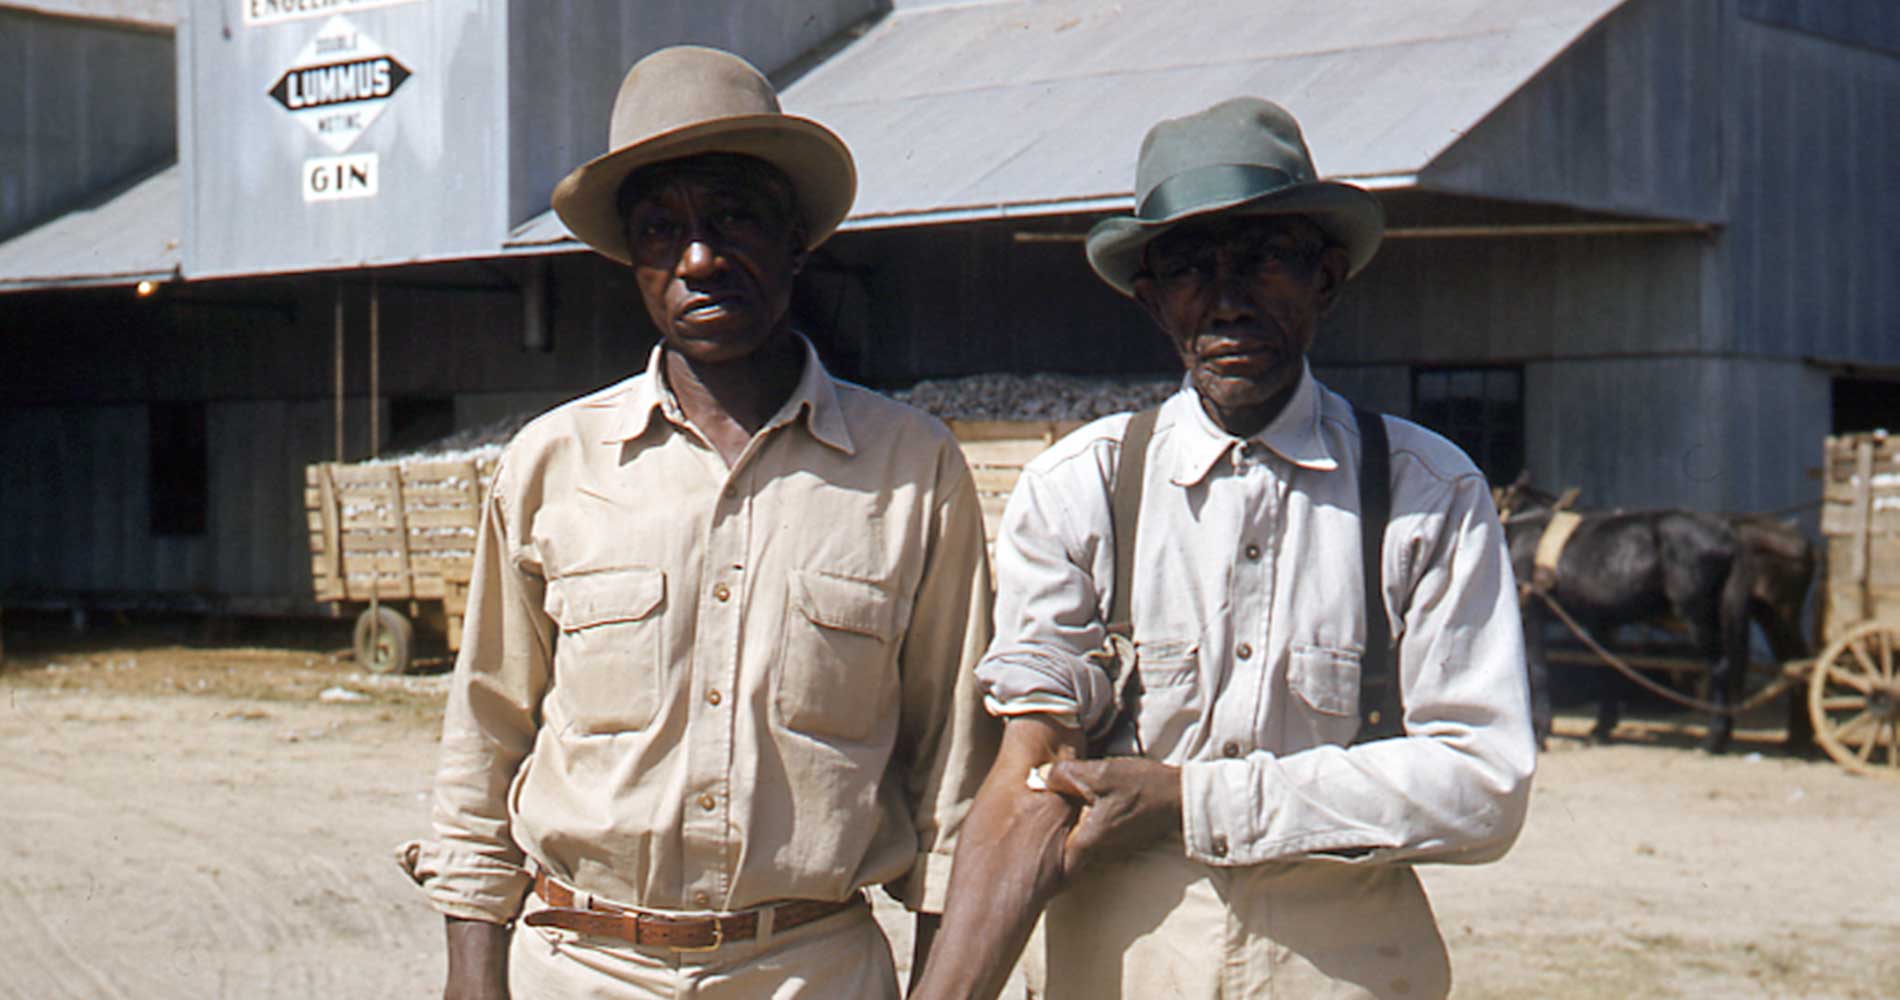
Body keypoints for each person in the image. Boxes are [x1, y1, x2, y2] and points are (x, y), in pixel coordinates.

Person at [396, 45, 996, 999]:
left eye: (733, 220)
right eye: (660, 229)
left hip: (812, 970)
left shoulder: (910, 470)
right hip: (580, 965)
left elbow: (955, 774)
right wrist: (474, 978)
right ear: (631, 261)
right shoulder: (553, 465)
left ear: (797, 240)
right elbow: (485, 737)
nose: (700, 257)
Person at [913, 97, 1537, 1000]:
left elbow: (1483, 787)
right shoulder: (1078, 490)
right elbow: (1031, 767)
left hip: (1345, 974)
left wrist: (1190, 799)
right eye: (1190, 266)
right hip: (1124, 970)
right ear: (1151, 297)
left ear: (1326, 279)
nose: (1230, 297)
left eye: (1266, 259)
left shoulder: (1426, 492)